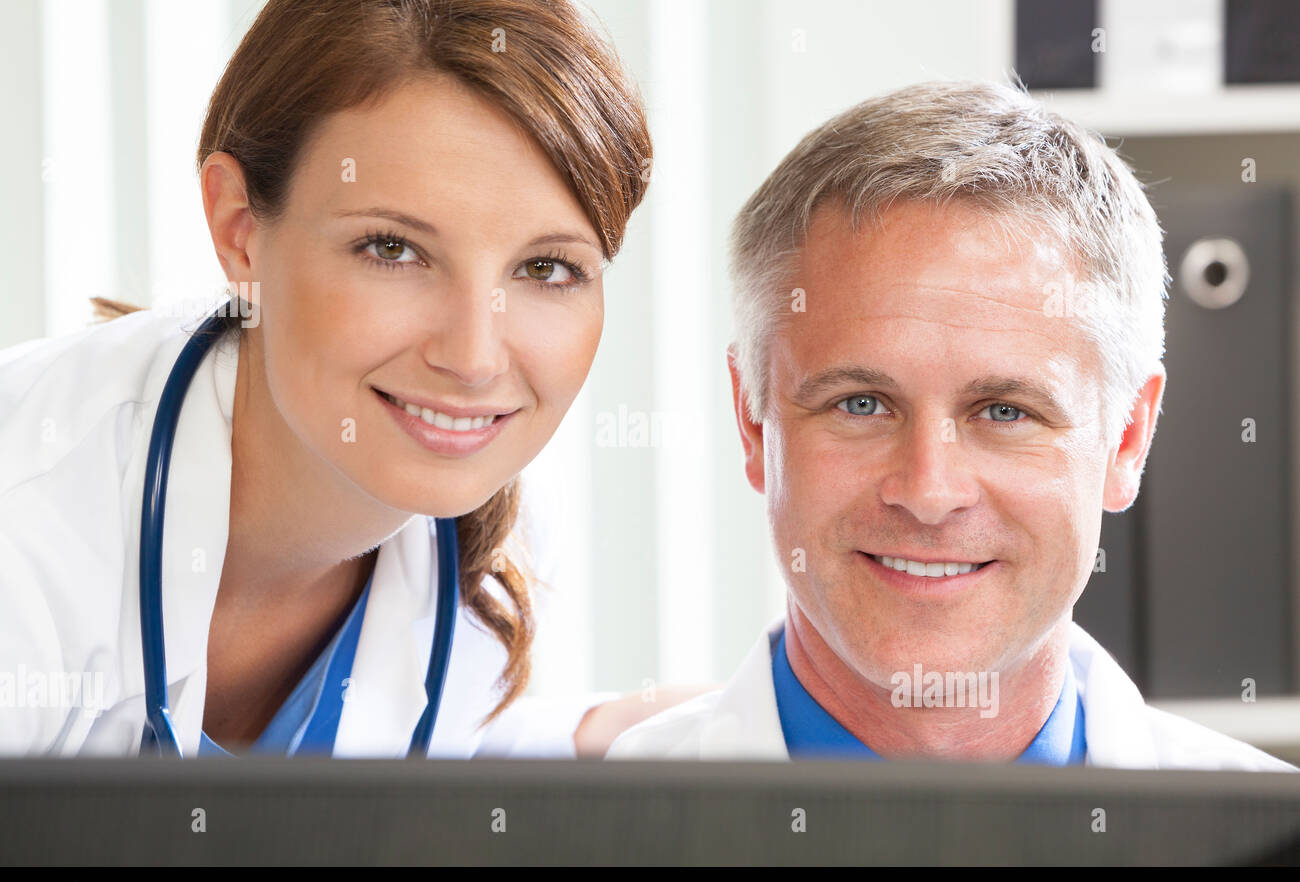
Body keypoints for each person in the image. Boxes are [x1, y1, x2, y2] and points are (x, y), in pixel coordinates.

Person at [0, 0, 701, 758]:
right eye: (392, 250)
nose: (474, 358)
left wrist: (621, 740)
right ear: (240, 230)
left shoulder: (482, 527)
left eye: (545, 268)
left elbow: (436, 749)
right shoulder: (31, 526)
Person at [607, 80, 1296, 771]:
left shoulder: (1267, 837)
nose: (929, 492)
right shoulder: (590, 835)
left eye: (1005, 412)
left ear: (1126, 439)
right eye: (861, 404)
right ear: (752, 421)